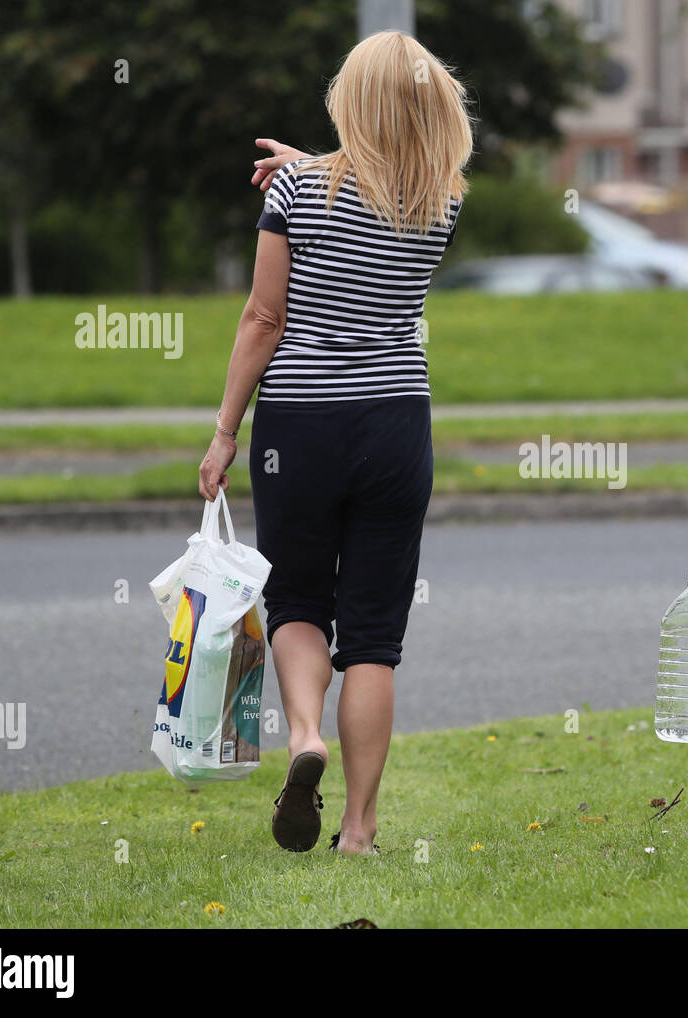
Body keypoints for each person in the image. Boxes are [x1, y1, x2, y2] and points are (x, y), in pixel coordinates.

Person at [198, 31, 472, 855]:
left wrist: (223, 432)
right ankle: (359, 828)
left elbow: (263, 318)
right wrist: (312, 162)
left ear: (349, 99)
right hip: (396, 423)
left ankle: (305, 734)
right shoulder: (442, 198)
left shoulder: (292, 194)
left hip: (301, 427)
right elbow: (375, 178)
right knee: (377, 638)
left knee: (298, 605)